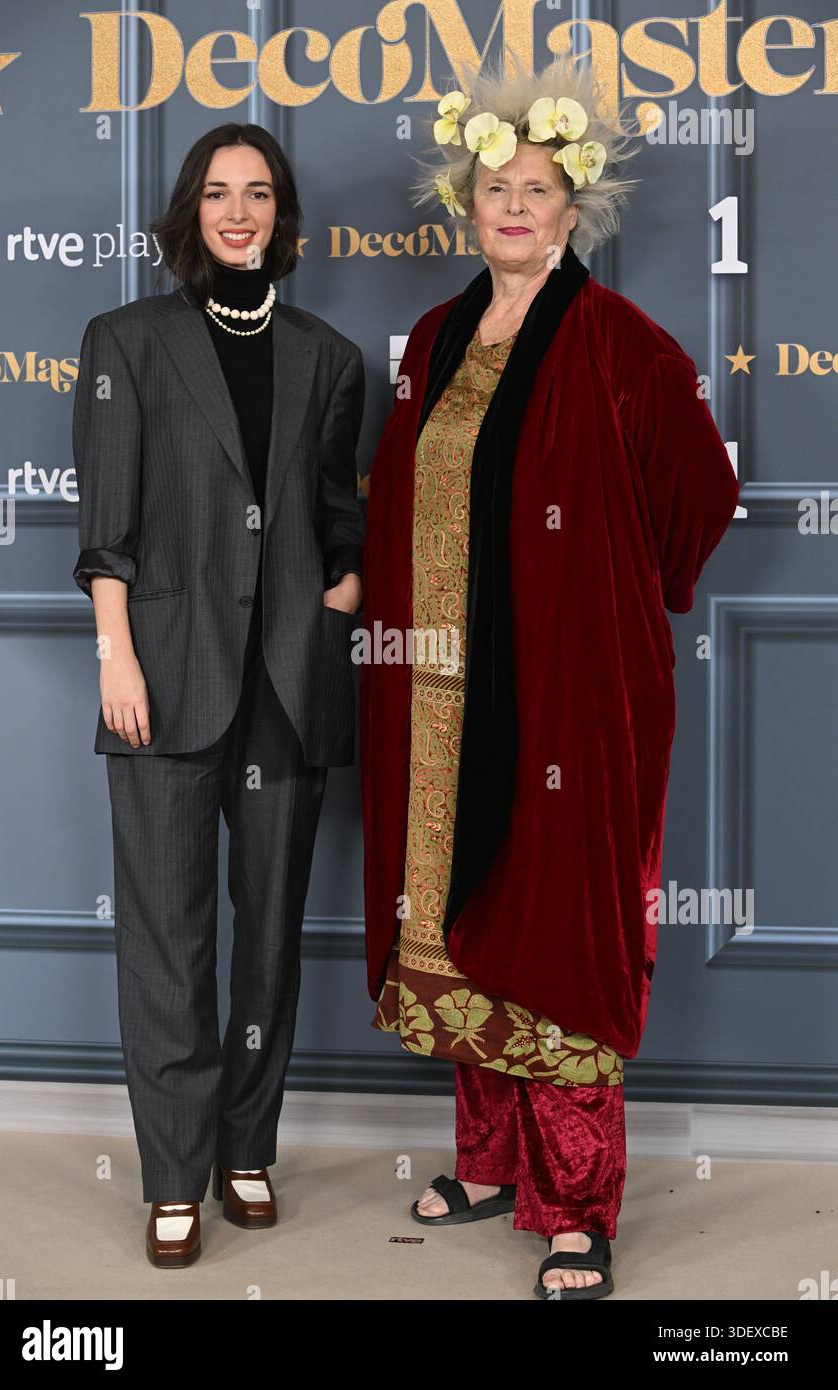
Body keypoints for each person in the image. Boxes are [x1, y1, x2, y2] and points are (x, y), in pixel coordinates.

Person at [359, 56, 739, 1299]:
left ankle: (574, 1201)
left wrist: (609, 613)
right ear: (465, 205)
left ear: (573, 210)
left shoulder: (623, 343)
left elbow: (698, 497)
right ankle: (487, 1159)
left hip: (568, 699)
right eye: (492, 190)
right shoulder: (431, 337)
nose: (512, 208)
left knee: (558, 929)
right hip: (435, 693)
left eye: (535, 190)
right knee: (456, 918)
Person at [72, 123, 364, 1268]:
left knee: (269, 939)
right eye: (218, 193)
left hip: (287, 688)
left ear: (283, 216)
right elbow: (107, 529)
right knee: (165, 937)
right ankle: (170, 1170)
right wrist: (117, 656)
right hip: (162, 678)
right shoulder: (125, 342)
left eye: (259, 193)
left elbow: (341, 522)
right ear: (190, 210)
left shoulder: (329, 356)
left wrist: (331, 611)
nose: (238, 212)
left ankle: (247, 1145)